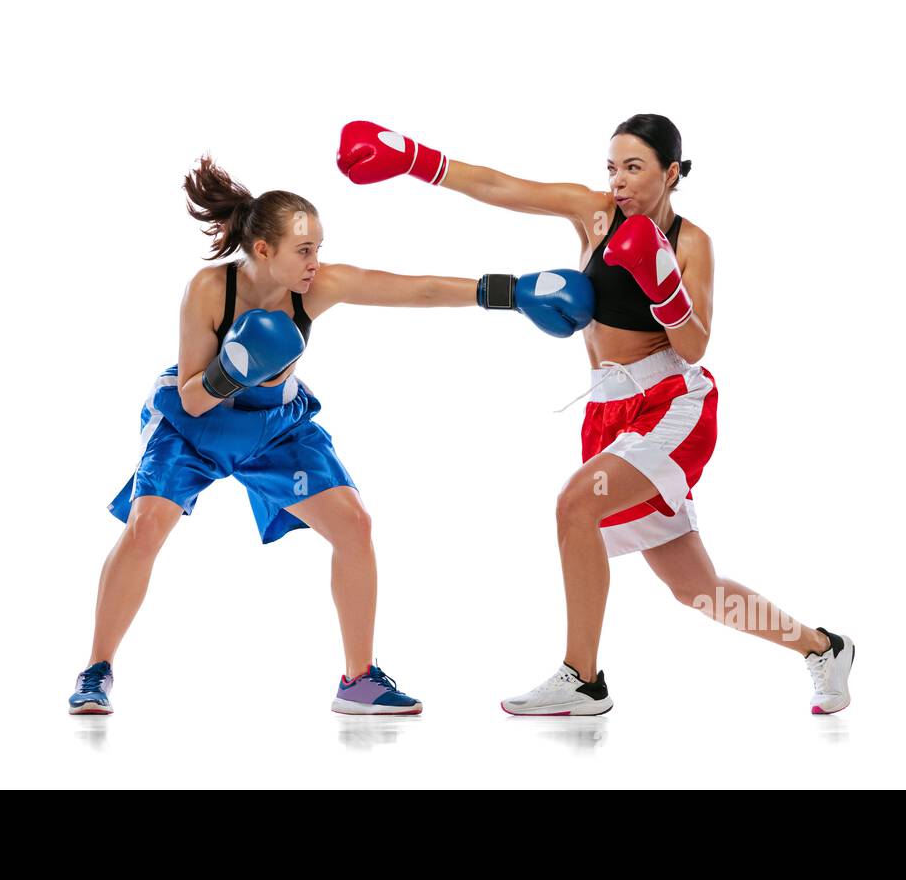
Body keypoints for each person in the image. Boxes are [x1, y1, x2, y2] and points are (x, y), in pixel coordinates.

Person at [337, 115, 855, 716]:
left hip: (672, 405)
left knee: (574, 504)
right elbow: (500, 186)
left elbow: (694, 345)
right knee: (696, 588)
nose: (619, 182)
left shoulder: (691, 243)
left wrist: (663, 285)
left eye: (634, 168)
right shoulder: (595, 215)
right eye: (612, 168)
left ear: (673, 173)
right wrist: (412, 159)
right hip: (610, 412)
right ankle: (824, 649)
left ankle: (581, 679)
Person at [70, 155, 593, 716]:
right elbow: (195, 398)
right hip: (196, 426)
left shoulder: (315, 288)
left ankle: (359, 680)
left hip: (274, 428)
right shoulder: (208, 290)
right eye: (304, 251)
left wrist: (511, 292)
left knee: (354, 523)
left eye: (318, 248)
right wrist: (235, 367)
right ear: (264, 250)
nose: (315, 263)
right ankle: (97, 670)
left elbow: (413, 290)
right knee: (146, 525)